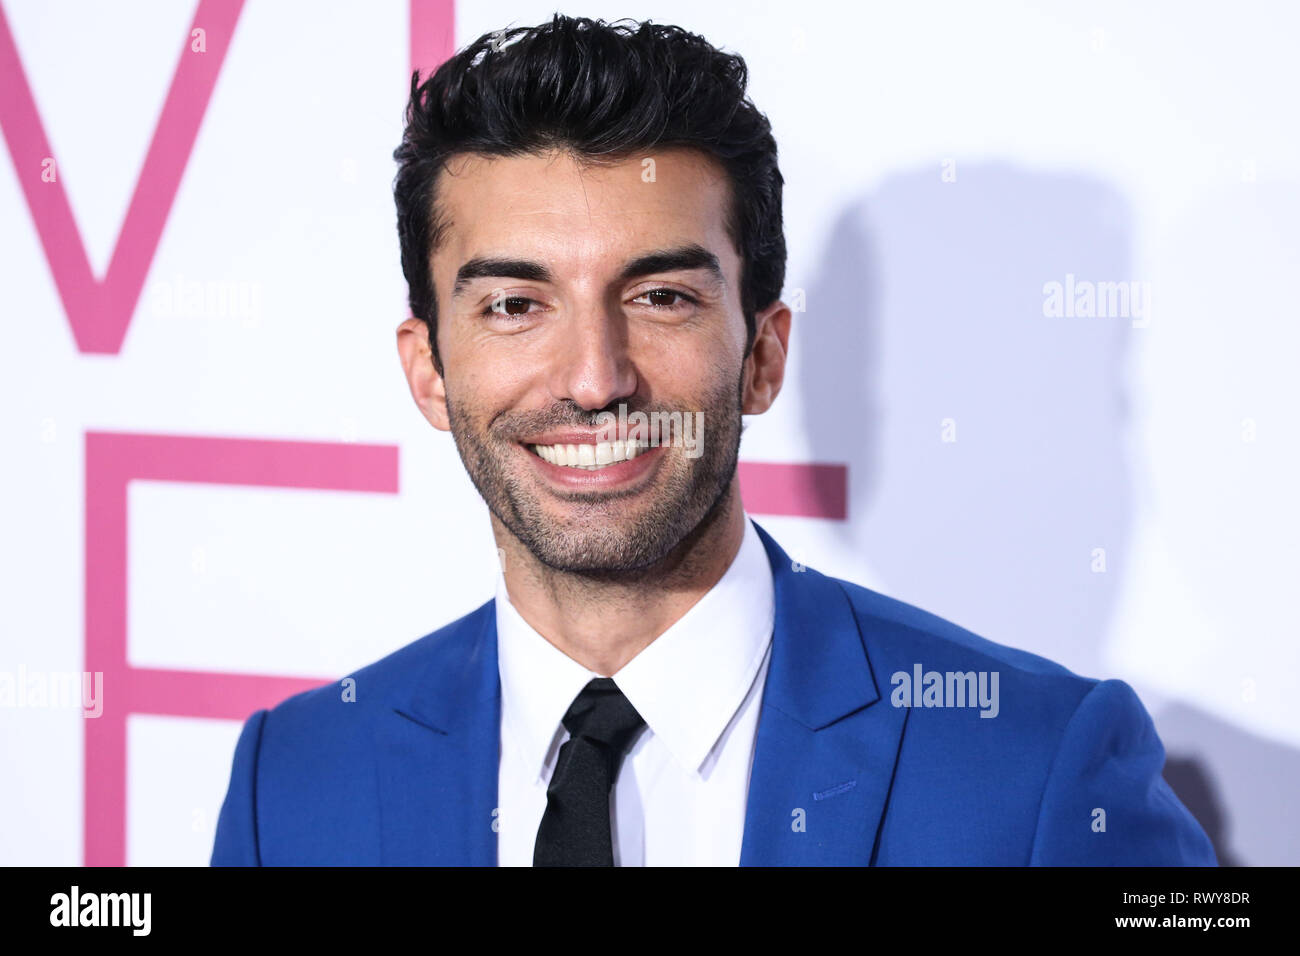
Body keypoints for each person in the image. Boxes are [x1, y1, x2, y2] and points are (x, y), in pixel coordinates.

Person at [211, 15, 1216, 866]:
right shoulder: (293, 782)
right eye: (515, 304)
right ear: (428, 369)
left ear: (763, 355)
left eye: (660, 297)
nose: (594, 378)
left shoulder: (1036, 768)